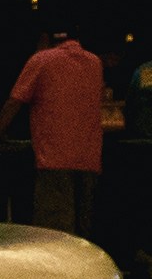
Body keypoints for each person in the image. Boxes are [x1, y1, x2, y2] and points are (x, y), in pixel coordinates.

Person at [8, 16, 106, 235]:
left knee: (55, 232)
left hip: (54, 157)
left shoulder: (41, 59)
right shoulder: (95, 62)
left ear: (46, 38)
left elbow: (15, 100)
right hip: (90, 157)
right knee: (82, 230)